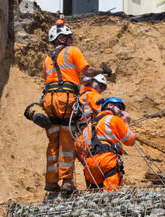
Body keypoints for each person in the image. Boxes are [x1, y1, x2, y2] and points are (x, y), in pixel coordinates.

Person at [24, 21, 107, 197]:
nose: (72, 40)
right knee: (67, 140)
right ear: (62, 37)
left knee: (53, 140)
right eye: (69, 37)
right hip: (66, 100)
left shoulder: (47, 59)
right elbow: (88, 71)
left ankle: (51, 182)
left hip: (48, 101)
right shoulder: (73, 51)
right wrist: (103, 70)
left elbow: (57, 78)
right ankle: (67, 181)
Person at [74, 96, 135, 192]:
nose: (121, 111)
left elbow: (78, 146)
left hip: (90, 164)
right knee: (111, 194)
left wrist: (86, 161)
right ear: (110, 105)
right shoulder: (113, 119)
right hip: (108, 160)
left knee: (93, 196)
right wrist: (126, 122)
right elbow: (130, 140)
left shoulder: (88, 126)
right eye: (119, 107)